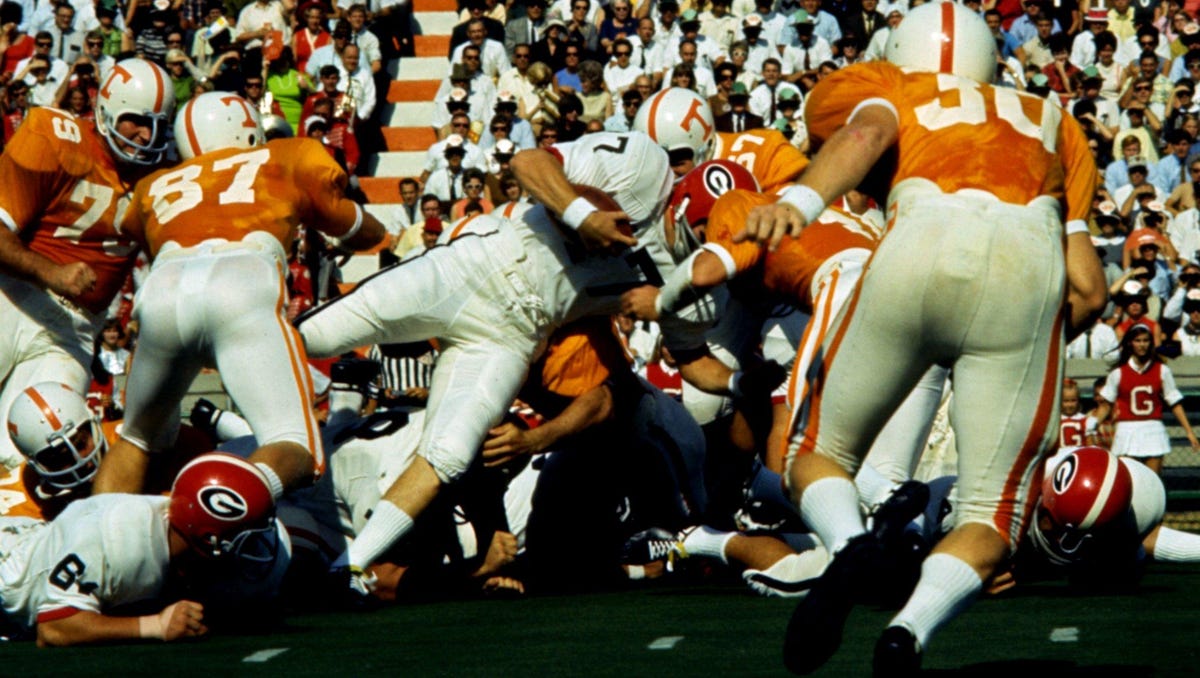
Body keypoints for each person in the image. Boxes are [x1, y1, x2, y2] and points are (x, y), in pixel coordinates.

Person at [734, 5, 1106, 673]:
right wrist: (1021, 350)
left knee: (816, 452)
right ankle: (910, 630)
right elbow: (1090, 290)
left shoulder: (892, 84)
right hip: (1027, 263)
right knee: (993, 515)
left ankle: (851, 550)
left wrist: (803, 202)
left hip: (923, 236)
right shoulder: (1055, 120)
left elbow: (867, 134)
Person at [294, 132, 717, 599]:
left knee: (450, 451)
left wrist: (741, 381)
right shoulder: (638, 162)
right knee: (312, 335)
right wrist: (583, 214)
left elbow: (682, 368)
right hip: (479, 265)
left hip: (513, 334)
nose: (700, 242)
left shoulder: (680, 274)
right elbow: (528, 161)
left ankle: (348, 566)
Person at [91, 92, 387, 501]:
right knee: (296, 447)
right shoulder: (287, 155)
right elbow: (363, 231)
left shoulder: (151, 185)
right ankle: (219, 508)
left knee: (137, 438)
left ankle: (94, 532)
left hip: (165, 290)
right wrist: (373, 230)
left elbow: (140, 233)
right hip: (242, 278)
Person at [0, 58, 175, 469]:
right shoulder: (55, 134)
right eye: (136, 120)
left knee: (36, 454)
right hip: (12, 299)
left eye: (157, 124)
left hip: (74, 333)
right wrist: (51, 272)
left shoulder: (163, 176)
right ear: (108, 107)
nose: (147, 135)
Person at [0, 453, 286, 646]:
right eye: (245, 536)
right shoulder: (117, 539)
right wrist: (156, 626)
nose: (256, 548)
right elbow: (53, 628)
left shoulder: (173, 527)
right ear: (208, 536)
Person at [1093, 324, 1200, 475]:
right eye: (1138, 340)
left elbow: (1174, 402)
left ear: (1151, 343)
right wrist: (1091, 423)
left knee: (1153, 480)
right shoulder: (1117, 374)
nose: (1142, 345)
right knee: (1129, 479)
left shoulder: (1162, 370)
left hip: (1153, 430)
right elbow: (1105, 406)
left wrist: (1189, 431)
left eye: (1145, 340)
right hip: (1127, 430)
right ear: (1130, 342)